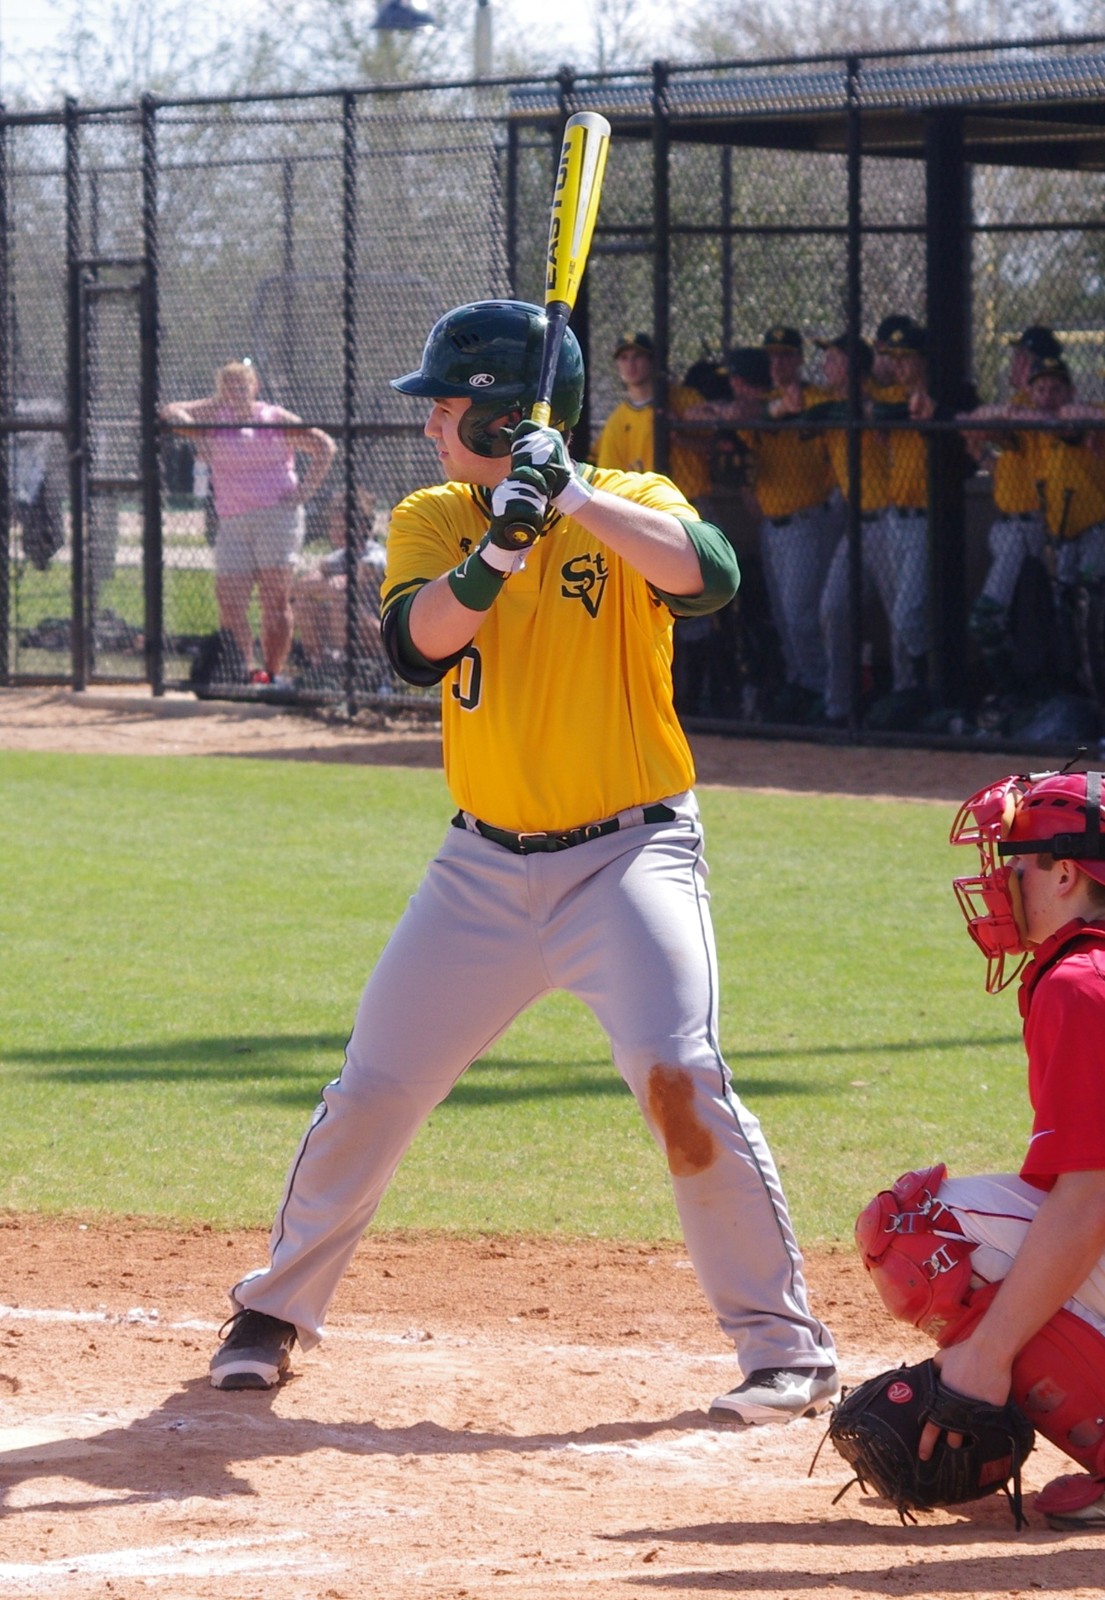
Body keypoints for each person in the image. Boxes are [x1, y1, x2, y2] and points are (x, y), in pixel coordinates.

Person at [207, 298, 839, 1424]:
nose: (427, 425)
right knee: (377, 1084)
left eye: (446, 407)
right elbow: (415, 645)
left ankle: (780, 1342)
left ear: (508, 417)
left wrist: (576, 497)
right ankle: (273, 1307)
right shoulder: (433, 518)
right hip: (480, 874)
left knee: (678, 1072)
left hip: (629, 856)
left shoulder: (629, 500)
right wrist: (503, 539)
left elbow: (712, 576)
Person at [856, 766, 1105, 1531]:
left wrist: (983, 1356)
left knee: (922, 1231)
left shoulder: (1080, 985)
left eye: (1014, 864)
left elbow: (1090, 1196)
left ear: (1064, 874)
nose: (998, 885)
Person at [161, 360, 337, 685]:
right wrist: (210, 410)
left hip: (276, 516)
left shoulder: (273, 417)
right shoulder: (215, 419)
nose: (236, 392)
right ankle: (242, 670)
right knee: (229, 599)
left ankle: (271, 673)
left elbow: (324, 445)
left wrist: (305, 491)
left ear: (254, 386)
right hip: (232, 520)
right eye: (228, 387)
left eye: (242, 385)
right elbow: (170, 412)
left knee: (274, 599)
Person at [737, 326, 838, 723]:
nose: (778, 364)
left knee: (802, 615)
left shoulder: (817, 399)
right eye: (772, 357)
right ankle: (803, 682)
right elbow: (741, 421)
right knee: (784, 617)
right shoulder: (763, 403)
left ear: (799, 360)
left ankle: (821, 688)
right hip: (771, 527)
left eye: (785, 356)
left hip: (808, 520)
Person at [959, 326, 1061, 685]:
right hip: (1007, 527)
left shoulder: (1038, 408)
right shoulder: (1019, 405)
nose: (1014, 364)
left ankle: (1013, 690)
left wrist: (977, 423)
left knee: (989, 618)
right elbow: (1011, 460)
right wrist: (987, 459)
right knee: (1021, 618)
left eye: (1022, 358)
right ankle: (1018, 690)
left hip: (1028, 529)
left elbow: (985, 426)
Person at [804, 334, 894, 726]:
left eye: (834, 358)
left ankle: (910, 700)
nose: (825, 365)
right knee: (833, 609)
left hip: (890, 520)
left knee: (901, 620)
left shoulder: (880, 399)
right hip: (853, 525)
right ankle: (838, 706)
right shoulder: (824, 404)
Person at [292, 486, 387, 686]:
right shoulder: (337, 557)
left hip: (380, 635)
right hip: (343, 630)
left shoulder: (376, 555)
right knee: (302, 603)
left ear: (360, 527)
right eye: (332, 526)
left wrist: (325, 586)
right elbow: (300, 587)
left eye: (340, 526)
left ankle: (346, 666)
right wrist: (326, 584)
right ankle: (319, 665)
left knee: (343, 602)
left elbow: (347, 586)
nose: (333, 532)